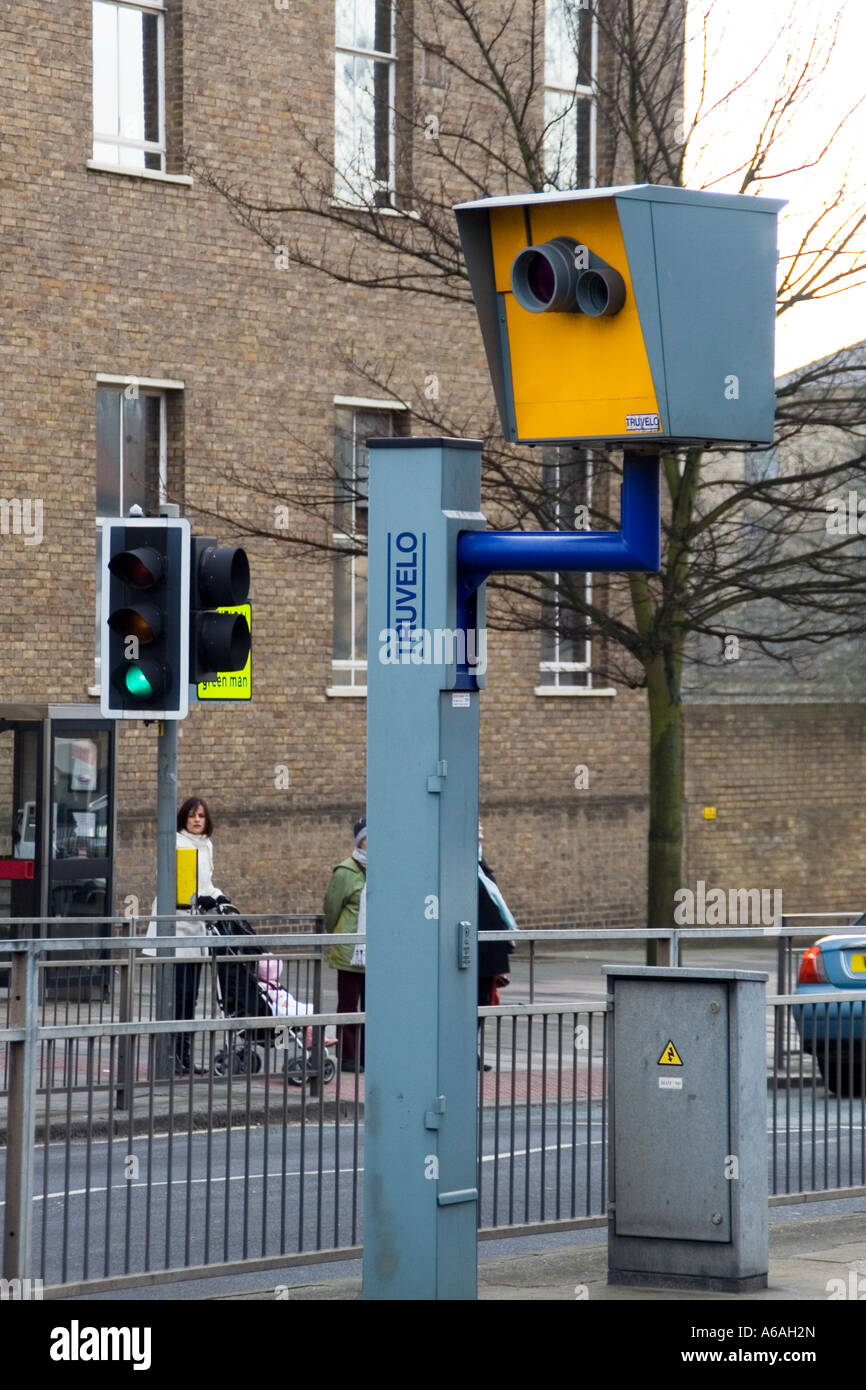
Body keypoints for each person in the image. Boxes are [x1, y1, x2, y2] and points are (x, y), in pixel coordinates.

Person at [147, 796, 227, 1074]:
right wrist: (201, 898)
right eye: (192, 815)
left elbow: (205, 882)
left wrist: (218, 896)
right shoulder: (177, 844)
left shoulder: (206, 845)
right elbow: (175, 884)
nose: (196, 820)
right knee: (176, 996)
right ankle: (171, 1058)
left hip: (194, 926)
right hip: (175, 925)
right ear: (184, 818)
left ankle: (184, 1056)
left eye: (201, 816)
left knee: (190, 997)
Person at [324, 816, 366, 1072]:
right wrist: (337, 935)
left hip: (379, 950)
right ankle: (349, 1056)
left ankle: (369, 1054)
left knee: (376, 1006)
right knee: (348, 1005)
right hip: (351, 949)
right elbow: (331, 908)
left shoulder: (388, 869)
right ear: (360, 842)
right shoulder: (345, 871)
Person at [477, 823, 517, 1070]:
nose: (482, 825)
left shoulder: (479, 864)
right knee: (471, 1004)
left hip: (488, 951)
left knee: (480, 1003)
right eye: (476, 822)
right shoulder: (463, 864)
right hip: (477, 951)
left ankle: (470, 1053)